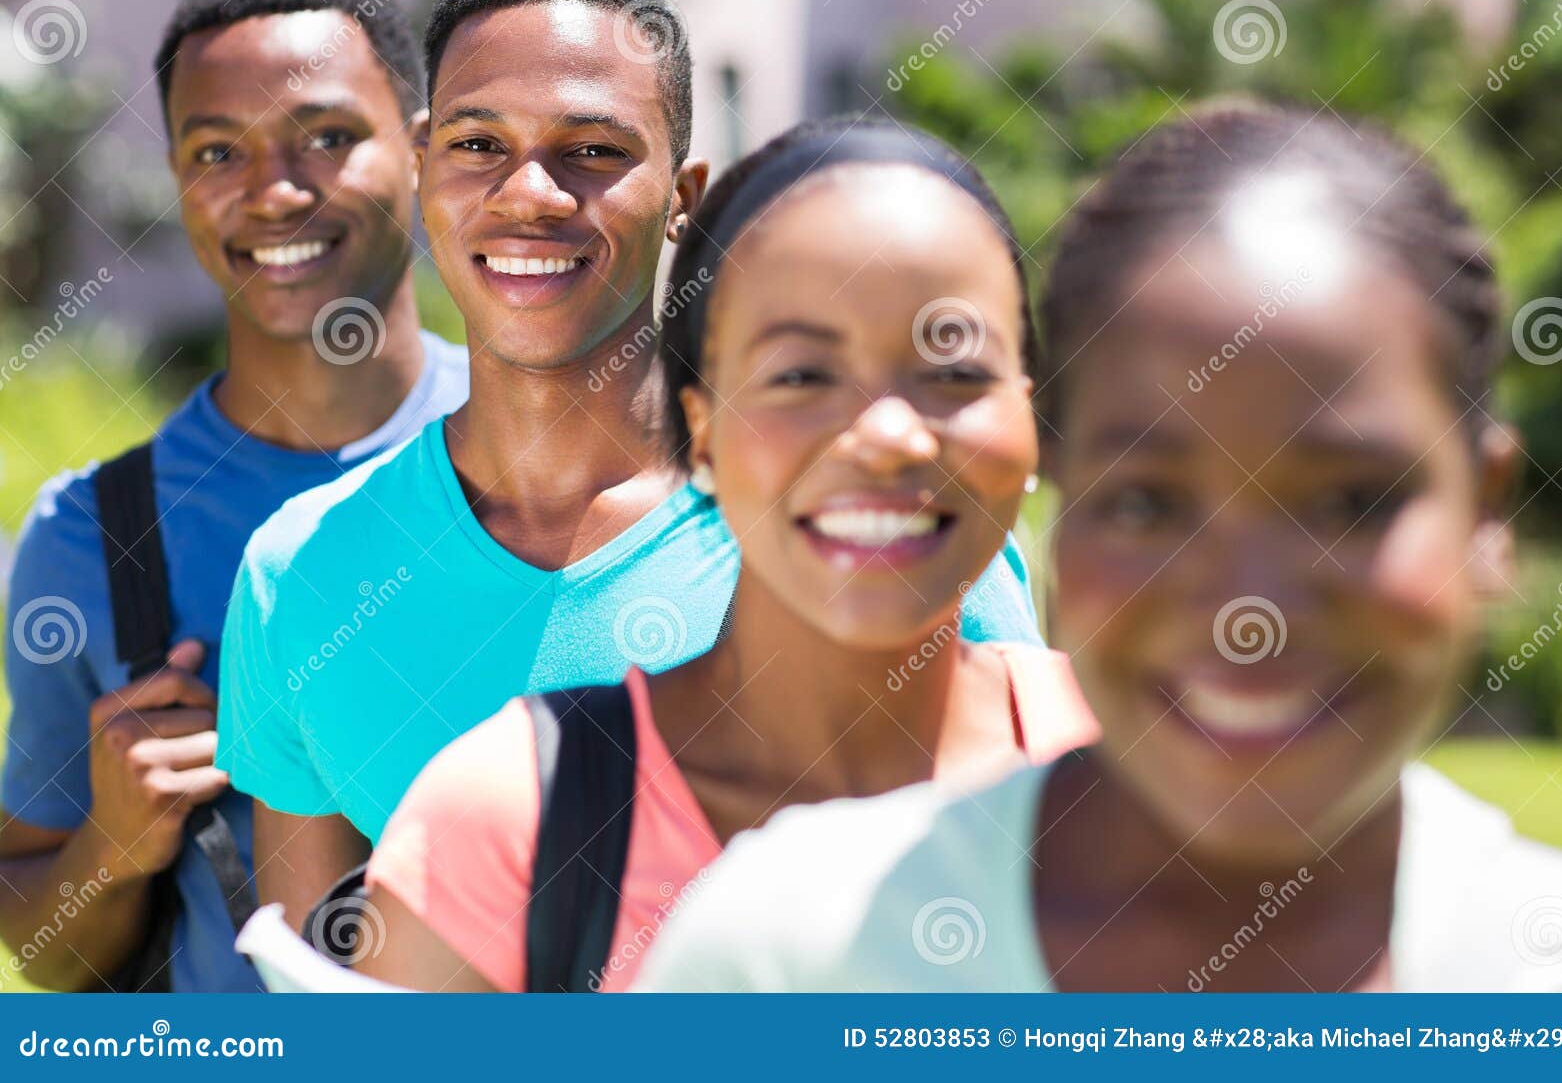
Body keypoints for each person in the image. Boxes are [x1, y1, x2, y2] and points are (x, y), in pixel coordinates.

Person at [635, 102, 1562, 993]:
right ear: (1055, 493)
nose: (1246, 606)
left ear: (1486, 510)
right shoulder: (793, 955)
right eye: (1145, 504)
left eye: (1351, 502)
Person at [217, 0, 1045, 934]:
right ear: (424, 161)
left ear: (685, 195)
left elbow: (1022, 917)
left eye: (595, 150)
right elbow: (324, 1001)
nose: (532, 193)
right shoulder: (300, 573)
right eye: (479, 143)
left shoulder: (872, 523)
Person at [356, 115, 1098, 993]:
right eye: (801, 376)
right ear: (700, 435)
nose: (890, 436)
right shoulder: (507, 824)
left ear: (1032, 412)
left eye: (955, 370)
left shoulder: (1142, 764)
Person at [0, 0, 468, 992]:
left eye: (329, 137)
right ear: (178, 180)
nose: (273, 191)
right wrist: (113, 847)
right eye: (217, 151)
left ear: (425, 151)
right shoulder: (95, 533)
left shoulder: (563, 459)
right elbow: (45, 944)